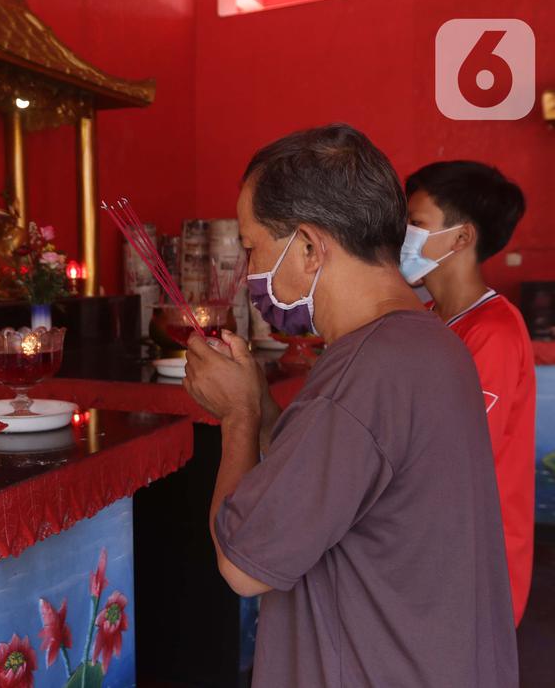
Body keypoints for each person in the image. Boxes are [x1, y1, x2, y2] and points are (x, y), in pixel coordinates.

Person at [183, 124, 517, 686]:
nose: (250, 275)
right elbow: (334, 488)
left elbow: (244, 567)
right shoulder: (428, 341)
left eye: (252, 249)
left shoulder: (364, 373)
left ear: (310, 248)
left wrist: (237, 419)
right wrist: (262, 406)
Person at [403, 161, 535, 625]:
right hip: (428, 558)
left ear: (461, 239)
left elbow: (450, 459)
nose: (403, 237)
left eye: (416, 225)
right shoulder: (431, 319)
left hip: (473, 569)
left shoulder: (493, 332)